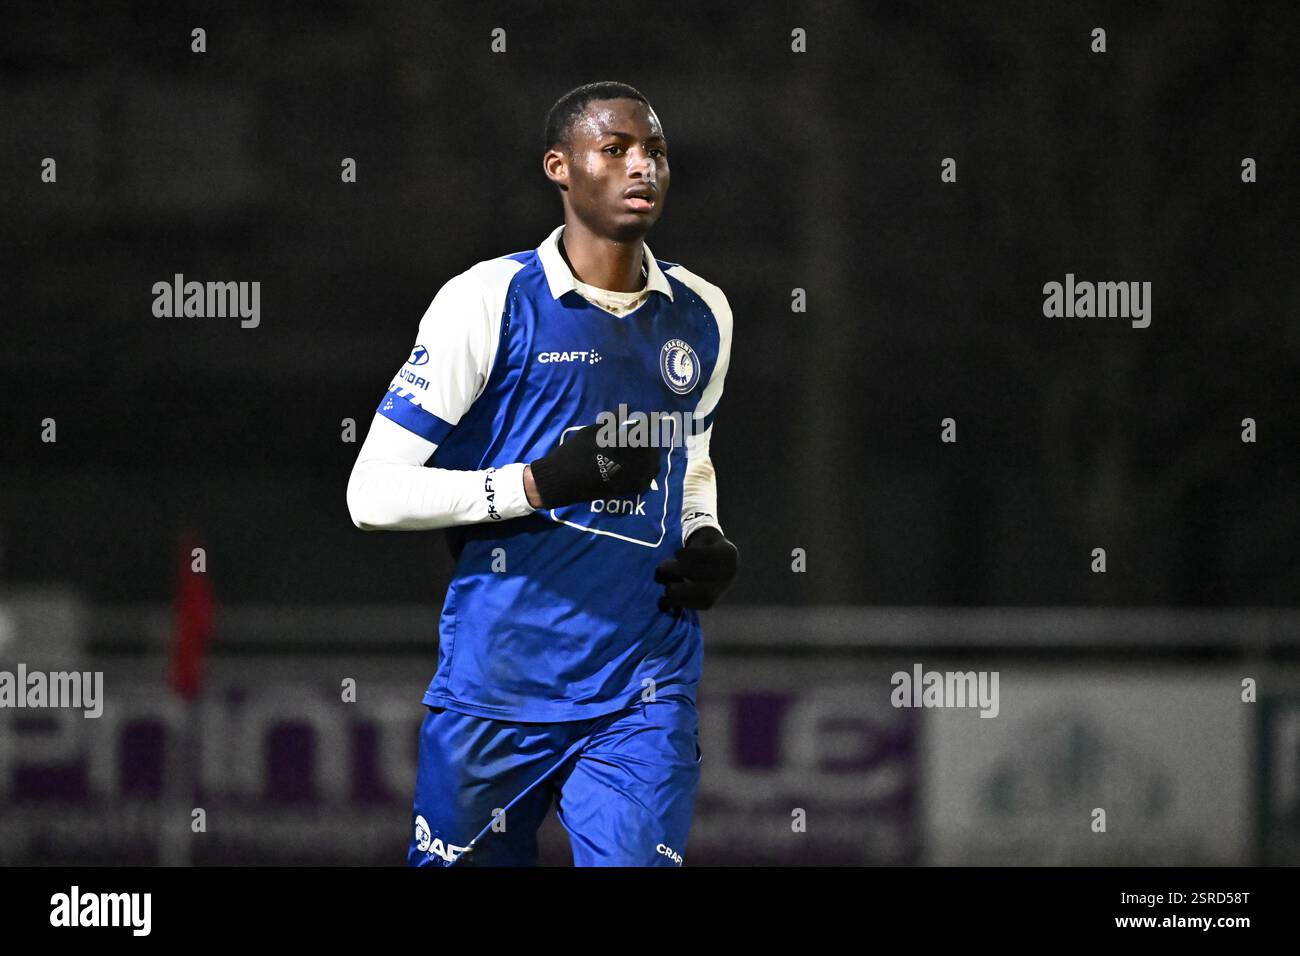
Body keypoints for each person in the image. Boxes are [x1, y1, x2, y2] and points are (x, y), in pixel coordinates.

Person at [347, 80, 738, 866]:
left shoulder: (702, 313)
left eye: (655, 151)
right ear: (560, 167)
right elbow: (371, 494)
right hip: (497, 686)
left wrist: (704, 530)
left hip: (644, 686)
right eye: (617, 149)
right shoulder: (487, 301)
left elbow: (690, 453)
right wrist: (533, 484)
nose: (643, 168)